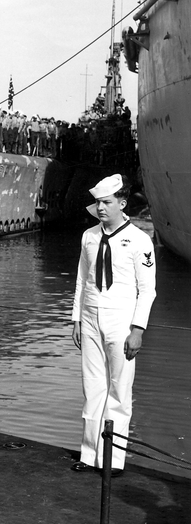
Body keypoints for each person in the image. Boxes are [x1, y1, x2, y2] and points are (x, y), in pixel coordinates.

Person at [70, 174, 156, 476]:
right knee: (92, 387)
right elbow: (82, 279)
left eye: (107, 202)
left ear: (122, 203)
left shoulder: (140, 241)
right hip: (91, 318)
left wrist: (138, 329)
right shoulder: (89, 237)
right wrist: (77, 319)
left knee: (120, 391)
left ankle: (113, 459)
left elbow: (147, 290)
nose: (101, 208)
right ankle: (89, 453)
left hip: (121, 320)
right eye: (98, 202)